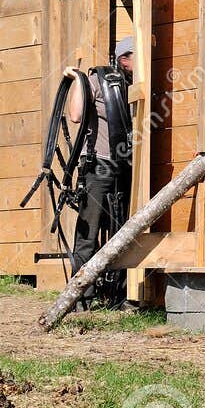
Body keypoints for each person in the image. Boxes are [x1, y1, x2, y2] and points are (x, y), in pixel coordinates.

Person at [66, 36, 135, 282]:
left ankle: (119, 289)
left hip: (127, 165)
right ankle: (81, 293)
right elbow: (75, 115)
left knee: (125, 228)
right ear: (124, 59)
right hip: (99, 164)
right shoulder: (98, 81)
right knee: (89, 229)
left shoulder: (141, 87)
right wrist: (78, 80)